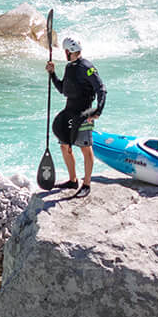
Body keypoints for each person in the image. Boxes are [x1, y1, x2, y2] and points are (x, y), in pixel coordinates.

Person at [46, 36, 105, 198]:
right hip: (69, 111)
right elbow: (63, 90)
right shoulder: (69, 67)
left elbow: (101, 89)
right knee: (64, 145)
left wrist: (98, 111)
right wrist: (52, 74)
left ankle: (86, 184)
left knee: (86, 148)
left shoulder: (87, 66)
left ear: (68, 51)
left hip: (84, 113)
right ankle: (73, 180)